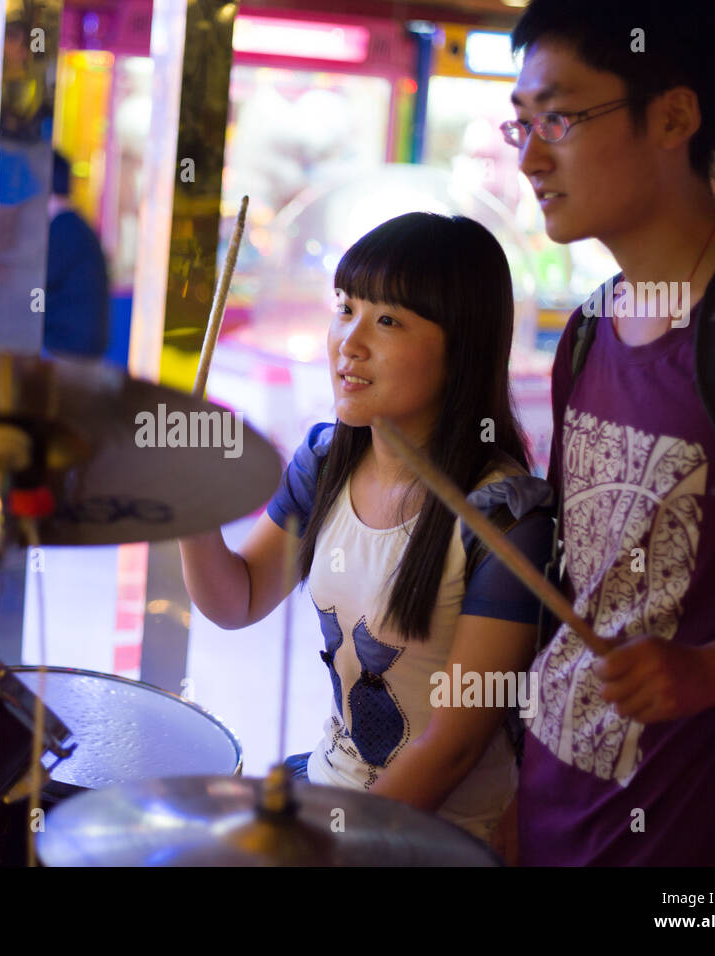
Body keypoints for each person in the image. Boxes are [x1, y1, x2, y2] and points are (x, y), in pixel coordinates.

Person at [506, 0, 715, 865]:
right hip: (557, 816)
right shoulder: (586, 333)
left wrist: (710, 671)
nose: (532, 157)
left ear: (675, 116)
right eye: (521, 126)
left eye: (559, 117)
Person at [179, 212, 555, 851]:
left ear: (461, 344)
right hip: (330, 795)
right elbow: (234, 600)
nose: (349, 342)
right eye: (345, 308)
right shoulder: (327, 461)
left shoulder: (505, 517)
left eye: (388, 321)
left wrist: (327, 847)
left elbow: (454, 748)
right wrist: (188, 503)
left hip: (444, 837)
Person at [44, 151, 110, 358]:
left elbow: (30, 285)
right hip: (78, 344)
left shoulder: (63, 229)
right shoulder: (73, 224)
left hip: (68, 348)